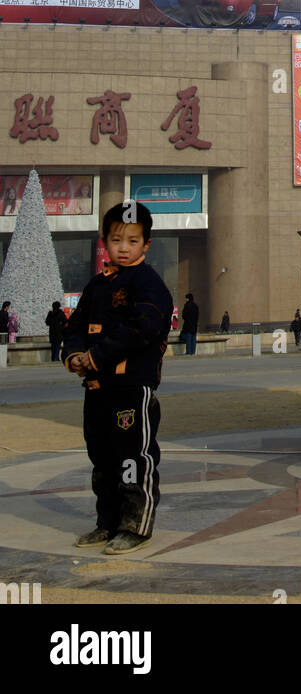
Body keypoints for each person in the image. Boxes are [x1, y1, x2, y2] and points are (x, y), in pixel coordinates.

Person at [62, 201, 173, 556]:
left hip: (131, 387)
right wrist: (74, 354)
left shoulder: (149, 284)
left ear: (146, 245)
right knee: (102, 458)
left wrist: (96, 356)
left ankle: (135, 526)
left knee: (132, 458)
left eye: (132, 241)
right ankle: (107, 522)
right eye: (116, 240)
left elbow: (141, 329)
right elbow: (75, 324)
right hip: (96, 388)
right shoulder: (97, 284)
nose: (123, 248)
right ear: (104, 241)